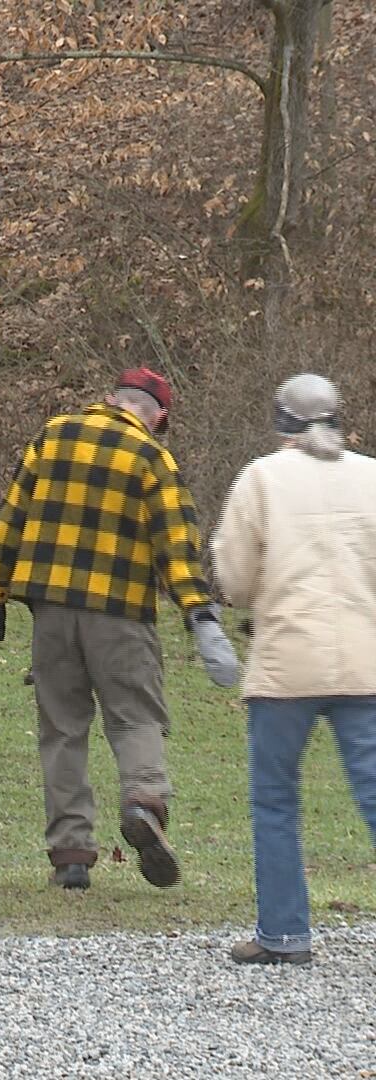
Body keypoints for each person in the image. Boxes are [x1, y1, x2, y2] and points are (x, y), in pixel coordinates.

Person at [0, 368, 238, 890]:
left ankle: (71, 855)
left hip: (51, 613)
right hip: (121, 615)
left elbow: (11, 520)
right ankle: (143, 803)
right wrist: (199, 614)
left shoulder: (53, 437)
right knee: (135, 717)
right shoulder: (152, 458)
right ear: (159, 415)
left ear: (108, 399)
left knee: (62, 730)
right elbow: (177, 550)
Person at [211, 374, 376, 965]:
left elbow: (233, 574)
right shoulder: (372, 476)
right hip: (366, 663)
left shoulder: (263, 477)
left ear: (281, 422)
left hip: (285, 663)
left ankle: (283, 935)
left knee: (276, 799)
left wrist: (258, 598)